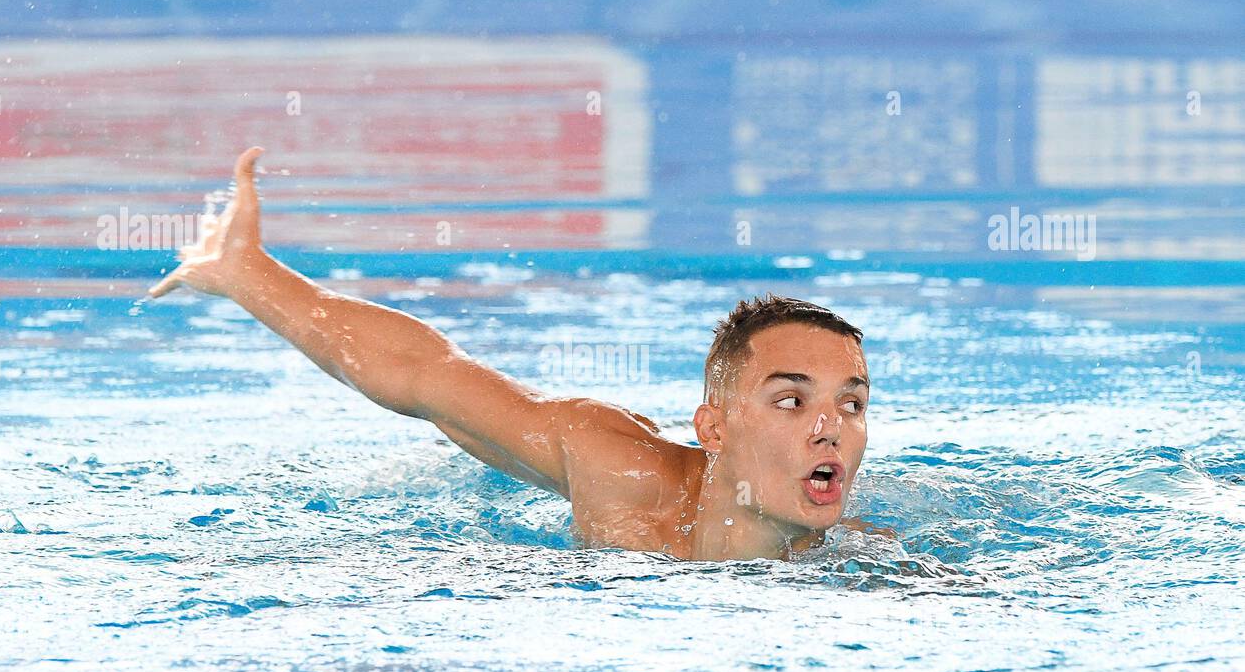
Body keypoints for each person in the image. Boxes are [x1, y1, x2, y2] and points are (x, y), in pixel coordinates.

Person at [149, 148, 873, 562]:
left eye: (852, 403)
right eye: (791, 399)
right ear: (713, 429)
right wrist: (252, 275)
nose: (830, 427)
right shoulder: (619, 473)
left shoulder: (868, 563)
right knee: (474, 423)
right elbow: (426, 376)